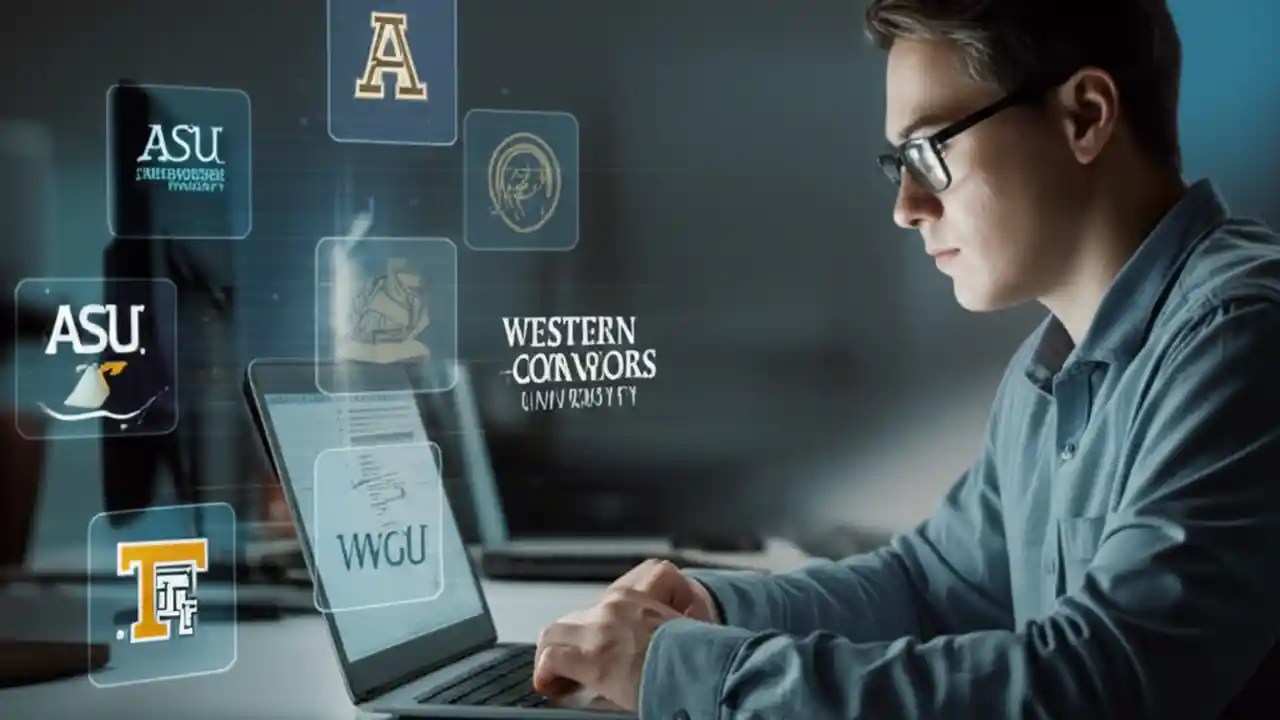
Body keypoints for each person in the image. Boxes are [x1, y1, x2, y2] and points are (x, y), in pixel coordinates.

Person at [530, 0, 1280, 717]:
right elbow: (930, 588)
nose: (907, 205)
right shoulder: (1048, 372)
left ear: (1084, 116)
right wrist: (717, 608)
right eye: (901, 162)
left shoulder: (1239, 340)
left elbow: (1099, 685)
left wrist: (691, 670)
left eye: (931, 148)